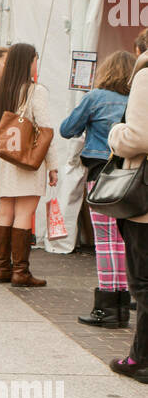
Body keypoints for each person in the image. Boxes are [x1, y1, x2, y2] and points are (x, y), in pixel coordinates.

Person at [60, 51, 135, 328]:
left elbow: (67, 129)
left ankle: (106, 308)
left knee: (105, 241)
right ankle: (123, 305)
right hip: (130, 176)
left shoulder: (96, 97)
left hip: (101, 174)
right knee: (124, 240)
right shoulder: (135, 100)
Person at [0, 42, 58, 287]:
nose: (36, 65)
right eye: (35, 60)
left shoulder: (1, 90)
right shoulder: (34, 91)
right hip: (28, 159)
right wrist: (52, 165)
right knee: (24, 213)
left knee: (5, 211)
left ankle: (1, 269)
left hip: (5, 160)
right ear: (28, 62)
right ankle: (21, 272)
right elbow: (46, 130)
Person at [107, 49, 148, 381]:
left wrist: (115, 133)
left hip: (144, 201)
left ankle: (141, 358)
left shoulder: (145, 76)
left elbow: (138, 136)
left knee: (143, 282)